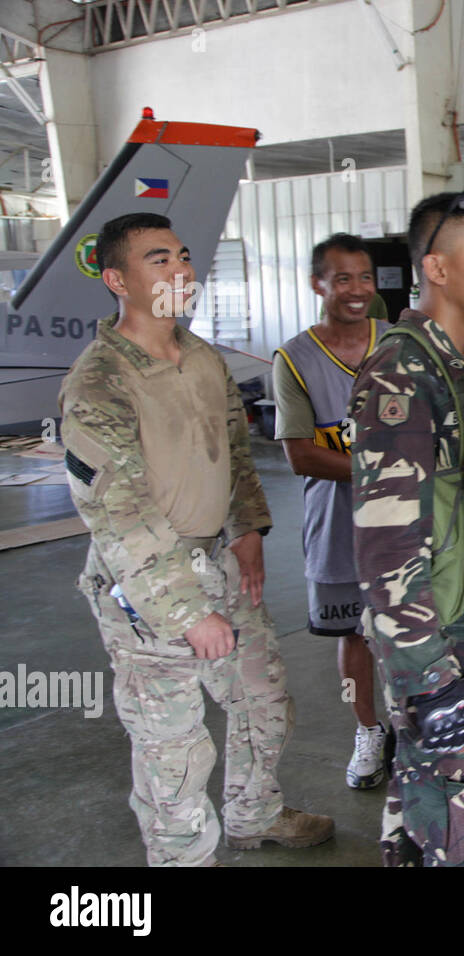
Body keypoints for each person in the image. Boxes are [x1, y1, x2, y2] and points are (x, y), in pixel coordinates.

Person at [59, 212, 333, 866]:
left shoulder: (204, 358)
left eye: (183, 255)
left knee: (263, 699)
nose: (181, 269)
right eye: (159, 259)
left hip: (220, 566)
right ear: (117, 280)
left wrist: (247, 532)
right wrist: (187, 608)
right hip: (149, 586)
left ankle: (253, 813)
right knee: (175, 749)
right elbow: (118, 513)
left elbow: (235, 456)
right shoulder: (98, 381)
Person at [349, 188, 464, 866]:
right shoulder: (401, 375)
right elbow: (387, 550)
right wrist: (429, 682)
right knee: (461, 824)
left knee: (433, 807)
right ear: (439, 269)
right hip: (441, 643)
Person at [273, 232, 388, 790]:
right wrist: (389, 471)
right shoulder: (294, 358)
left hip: (411, 527)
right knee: (355, 636)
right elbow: (301, 454)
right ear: (317, 284)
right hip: (337, 528)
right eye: (343, 279)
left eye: (364, 277)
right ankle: (368, 730)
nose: (357, 289)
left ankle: (421, 735)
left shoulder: (401, 343)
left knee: (421, 631)